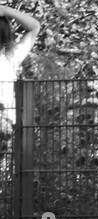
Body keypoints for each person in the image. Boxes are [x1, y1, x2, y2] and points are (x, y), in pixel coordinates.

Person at [0, 5, 40, 135]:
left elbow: (35, 27)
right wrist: (6, 11)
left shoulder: (9, 58)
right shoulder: (10, 58)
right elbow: (34, 27)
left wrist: (5, 10)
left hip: (4, 129)